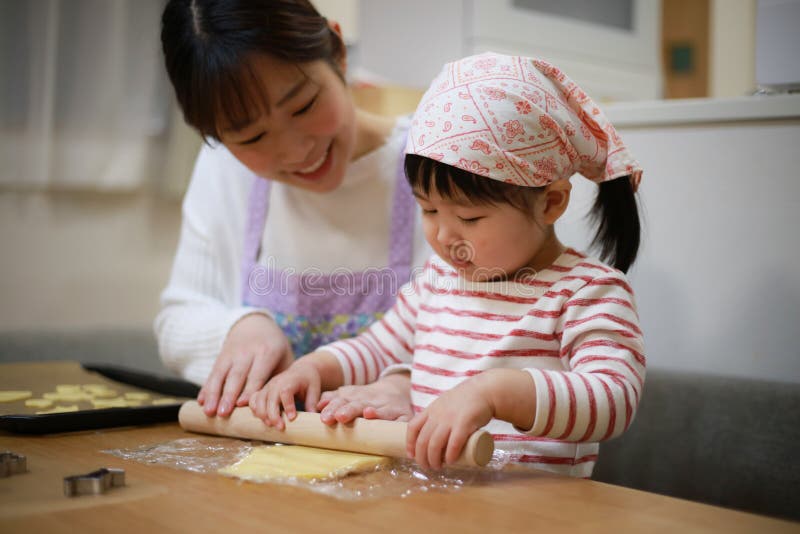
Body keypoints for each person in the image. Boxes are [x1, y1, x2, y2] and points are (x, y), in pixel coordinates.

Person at [249, 52, 646, 478]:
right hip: (433, 506)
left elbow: (613, 398)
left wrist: (495, 391)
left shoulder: (588, 293)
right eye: (428, 211)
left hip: (537, 512)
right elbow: (378, 347)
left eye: (469, 218)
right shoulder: (437, 283)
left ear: (550, 201)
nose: (442, 235)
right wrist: (314, 368)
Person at [155, 0, 428, 419]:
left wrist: (410, 384)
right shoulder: (223, 169)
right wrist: (240, 327)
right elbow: (177, 320)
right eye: (251, 137)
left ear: (337, 52)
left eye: (303, 106)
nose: (297, 151)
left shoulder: (434, 165)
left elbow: (496, 333)